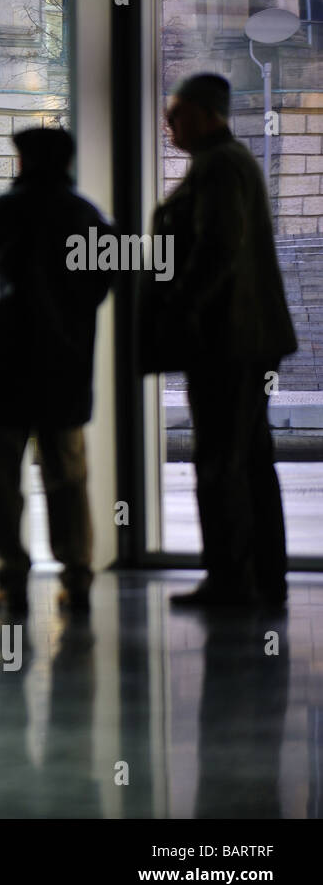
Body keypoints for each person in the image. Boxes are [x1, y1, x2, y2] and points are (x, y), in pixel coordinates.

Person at [141, 73, 297, 610]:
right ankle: (261, 579)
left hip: (228, 340)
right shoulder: (226, 164)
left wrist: (178, 307)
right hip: (244, 336)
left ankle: (232, 580)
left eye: (178, 114)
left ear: (208, 114)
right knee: (249, 458)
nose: (169, 124)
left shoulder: (218, 167)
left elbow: (216, 248)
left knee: (221, 460)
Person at [0, 128, 111, 614]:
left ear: (23, 162)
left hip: (3, 365)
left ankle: (12, 578)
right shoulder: (83, 215)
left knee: (3, 480)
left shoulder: (3, 211)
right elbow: (104, 280)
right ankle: (76, 575)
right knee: (67, 476)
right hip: (64, 363)